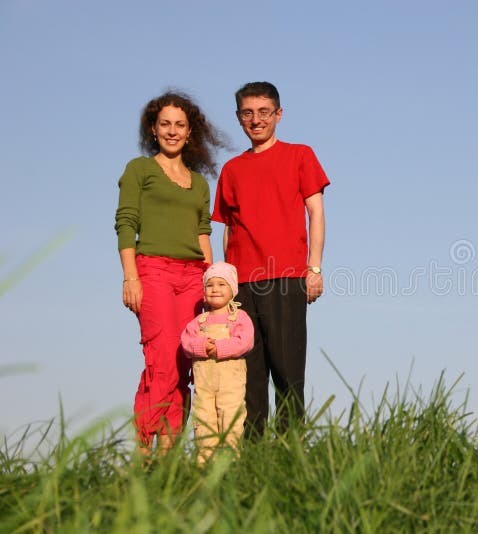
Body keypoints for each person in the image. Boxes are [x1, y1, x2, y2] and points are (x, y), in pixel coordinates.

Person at [212, 81, 330, 436]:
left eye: (264, 112)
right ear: (238, 118)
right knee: (248, 374)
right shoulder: (231, 169)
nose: (256, 120)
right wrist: (225, 282)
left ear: (278, 115)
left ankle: (290, 452)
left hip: (286, 276)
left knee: (288, 370)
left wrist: (315, 268)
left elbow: (316, 214)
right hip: (241, 284)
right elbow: (228, 229)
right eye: (248, 113)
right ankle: (252, 456)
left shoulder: (300, 155)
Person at [115, 91, 227, 456]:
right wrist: (130, 277)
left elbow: (203, 234)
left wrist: (214, 283)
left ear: (190, 131)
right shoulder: (139, 170)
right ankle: (145, 450)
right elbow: (126, 224)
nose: (172, 131)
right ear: (153, 128)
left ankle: (170, 453)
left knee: (185, 361)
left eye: (180, 125)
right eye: (165, 124)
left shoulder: (199, 183)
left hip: (194, 277)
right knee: (161, 359)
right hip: (153, 270)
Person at [181, 262, 254, 463]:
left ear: (233, 290)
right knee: (204, 420)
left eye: (222, 284)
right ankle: (204, 463)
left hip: (230, 383)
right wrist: (201, 347)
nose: (215, 289)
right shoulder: (199, 322)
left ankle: (230, 463)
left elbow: (245, 342)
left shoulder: (239, 318)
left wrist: (219, 348)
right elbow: (186, 342)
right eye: (210, 285)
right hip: (204, 386)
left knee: (230, 418)